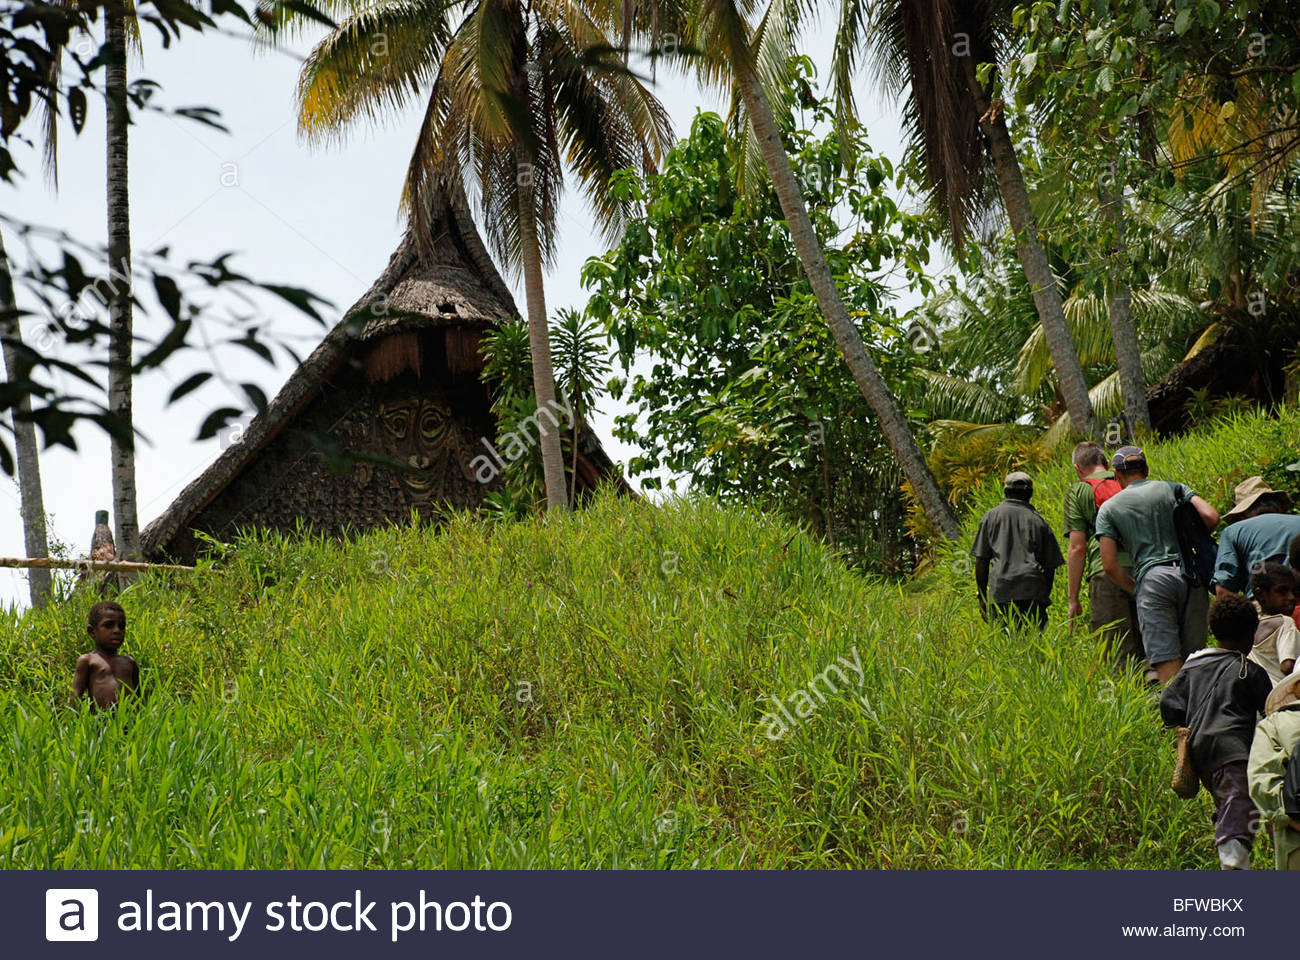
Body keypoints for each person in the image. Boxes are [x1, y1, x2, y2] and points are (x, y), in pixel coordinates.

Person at [1160, 595, 1273, 870]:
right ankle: (1232, 866)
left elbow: (1168, 703)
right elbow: (1272, 713)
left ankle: (1233, 853)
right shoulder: (1249, 670)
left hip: (1201, 752)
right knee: (1239, 803)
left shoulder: (1192, 666)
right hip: (1233, 749)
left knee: (1230, 802)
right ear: (1250, 634)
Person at [1096, 446, 1220, 685]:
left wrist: (1136, 589)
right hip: (1191, 576)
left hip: (1152, 579)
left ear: (1117, 475)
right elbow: (1211, 517)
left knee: (1166, 657)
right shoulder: (1173, 488)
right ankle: (1201, 712)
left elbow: (1109, 564)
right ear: (1146, 469)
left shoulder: (1109, 508)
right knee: (1195, 654)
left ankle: (1178, 719)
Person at [1062, 441, 1143, 667]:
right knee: (1150, 646)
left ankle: (1129, 701)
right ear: (1107, 462)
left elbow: (1077, 547)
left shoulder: (1079, 490)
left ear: (1078, 469)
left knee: (1116, 654)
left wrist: (1073, 599)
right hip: (1146, 570)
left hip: (1105, 574)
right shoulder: (1129, 480)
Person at [972, 471, 1064, 630]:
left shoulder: (991, 517)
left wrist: (982, 596)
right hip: (1031, 590)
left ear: (1006, 492)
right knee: (1034, 644)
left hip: (1001, 590)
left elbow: (981, 560)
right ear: (1030, 494)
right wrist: (1043, 595)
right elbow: (1050, 566)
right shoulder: (1039, 521)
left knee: (1005, 646)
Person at [1213, 477, 1300, 598]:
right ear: (1279, 507)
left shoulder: (1233, 532)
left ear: (1242, 515)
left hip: (1265, 609)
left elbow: (1223, 590)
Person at [1247, 671, 1300, 870]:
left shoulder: (1275, 724)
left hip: (1295, 844)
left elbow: (1261, 782)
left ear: (1295, 687)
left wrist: (1289, 818)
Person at [73, 600, 139, 710]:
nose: (117, 631)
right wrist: (77, 724)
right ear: (92, 631)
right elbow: (76, 695)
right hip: (100, 724)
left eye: (121, 626)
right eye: (109, 625)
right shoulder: (88, 661)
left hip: (131, 724)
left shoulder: (129, 662)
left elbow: (139, 697)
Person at [1248, 563, 1300, 685]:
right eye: (1282, 591)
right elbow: (1287, 667)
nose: (1292, 597)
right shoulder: (1285, 623)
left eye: (1293, 592)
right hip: (1283, 696)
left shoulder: (1249, 628)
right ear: (1261, 594)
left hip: (1259, 696)